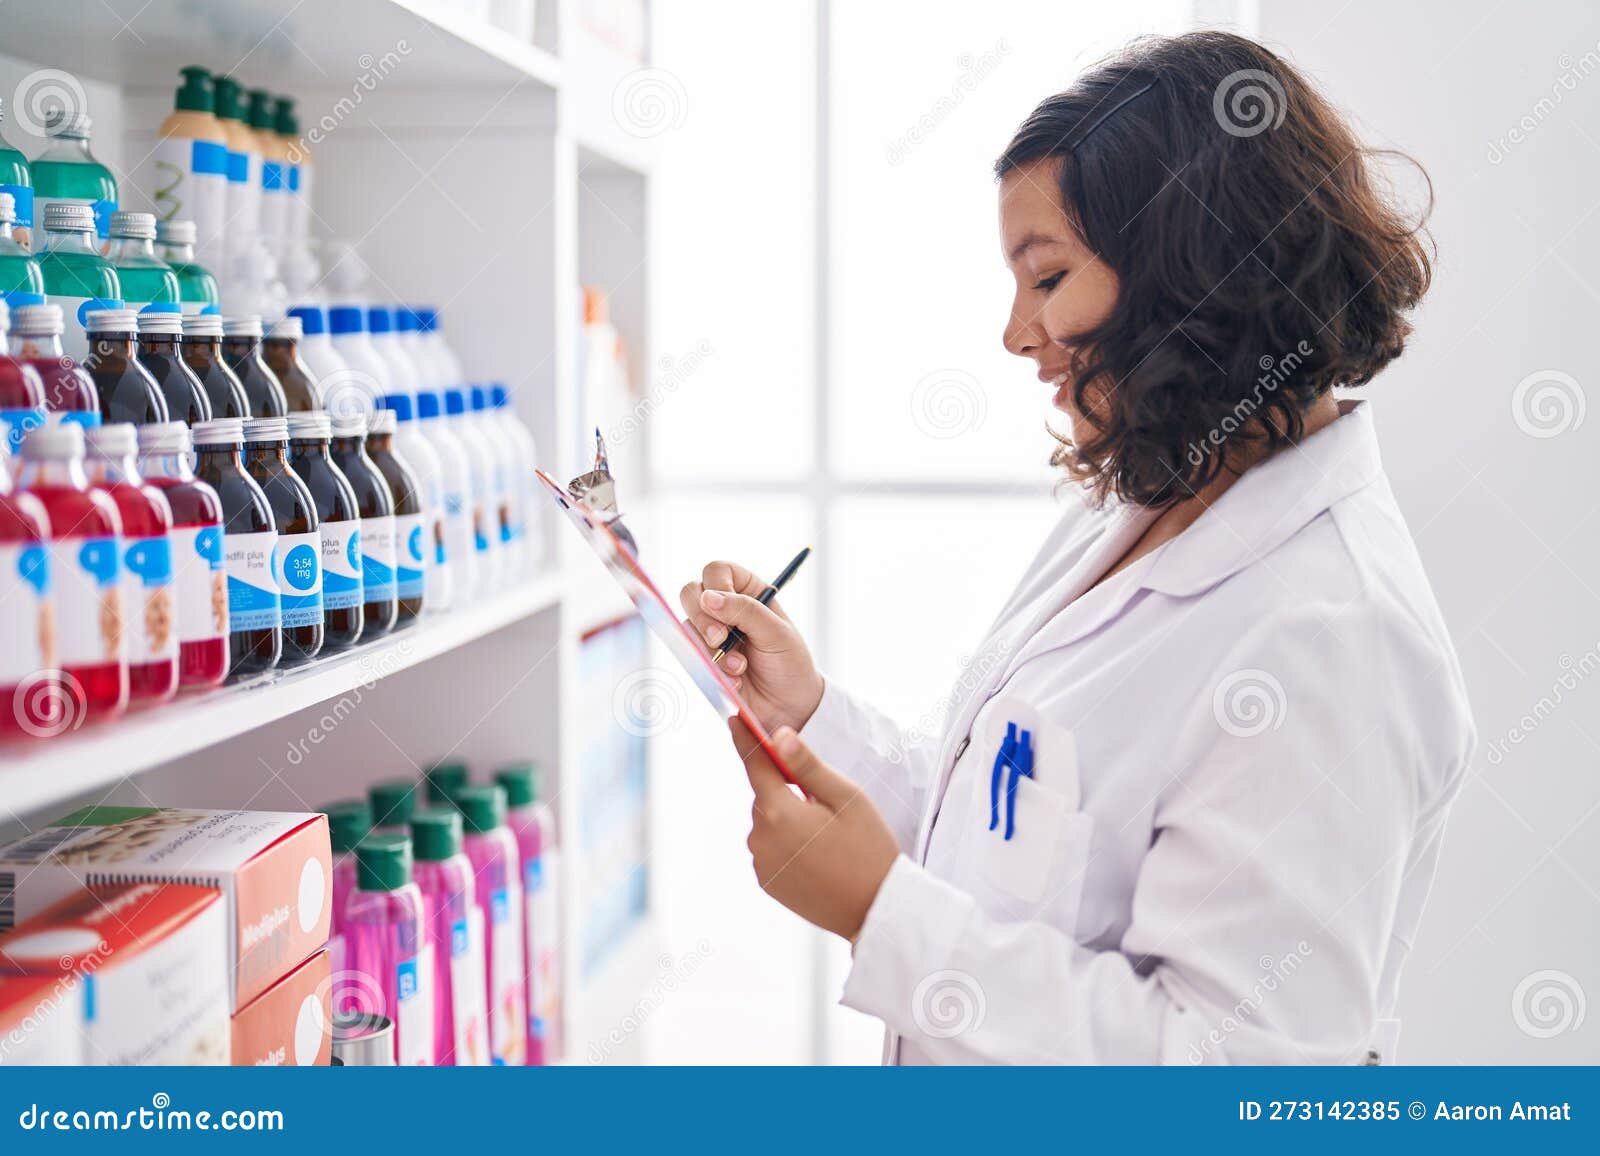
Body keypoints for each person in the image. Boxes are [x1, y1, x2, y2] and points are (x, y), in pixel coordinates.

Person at [679, 30, 1475, 1065]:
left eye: (1046, 278)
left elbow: (1239, 1074)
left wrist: (884, 916)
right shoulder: (1148, 503)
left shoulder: (1333, 635)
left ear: (1192, 273)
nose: (1016, 333)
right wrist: (814, 715)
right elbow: (1016, 838)